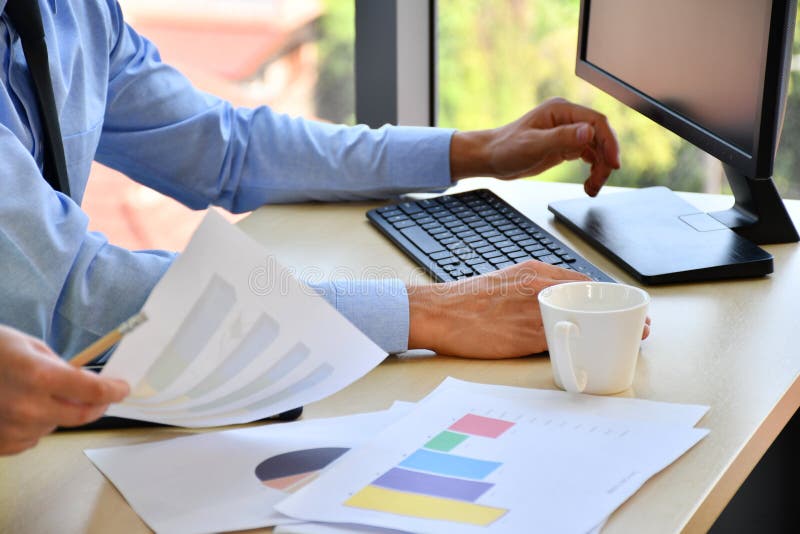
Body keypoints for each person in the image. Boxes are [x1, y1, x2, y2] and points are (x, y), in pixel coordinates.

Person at [0, 0, 641, 454]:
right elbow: (70, 293)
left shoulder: (71, 11)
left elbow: (227, 148)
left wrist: (472, 151)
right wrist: (432, 311)